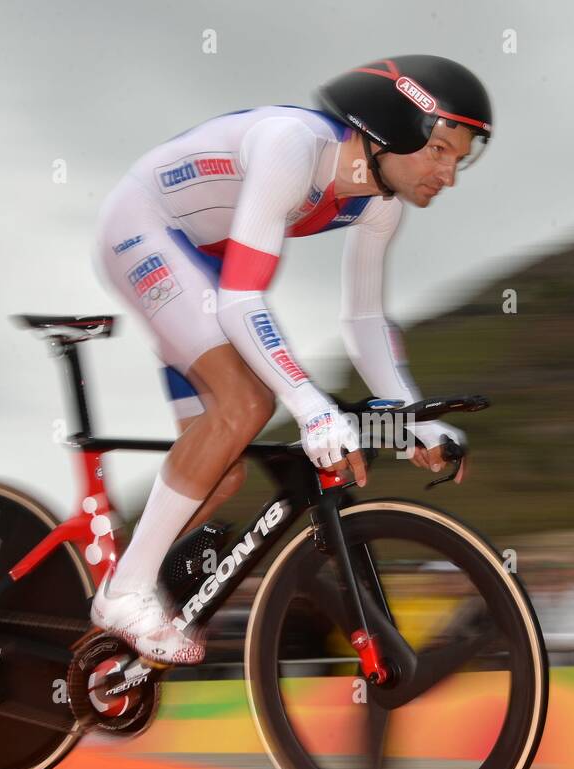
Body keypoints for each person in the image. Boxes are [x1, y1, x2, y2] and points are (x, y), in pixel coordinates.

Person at [89, 55, 491, 666]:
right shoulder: (292, 147)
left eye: (458, 160)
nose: (449, 175)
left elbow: (364, 323)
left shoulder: (378, 204)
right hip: (144, 227)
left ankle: (114, 592)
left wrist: (416, 421)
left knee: (219, 469)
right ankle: (125, 594)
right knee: (248, 402)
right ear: (391, 130)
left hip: (196, 261)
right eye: (439, 150)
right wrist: (310, 406)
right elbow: (240, 299)